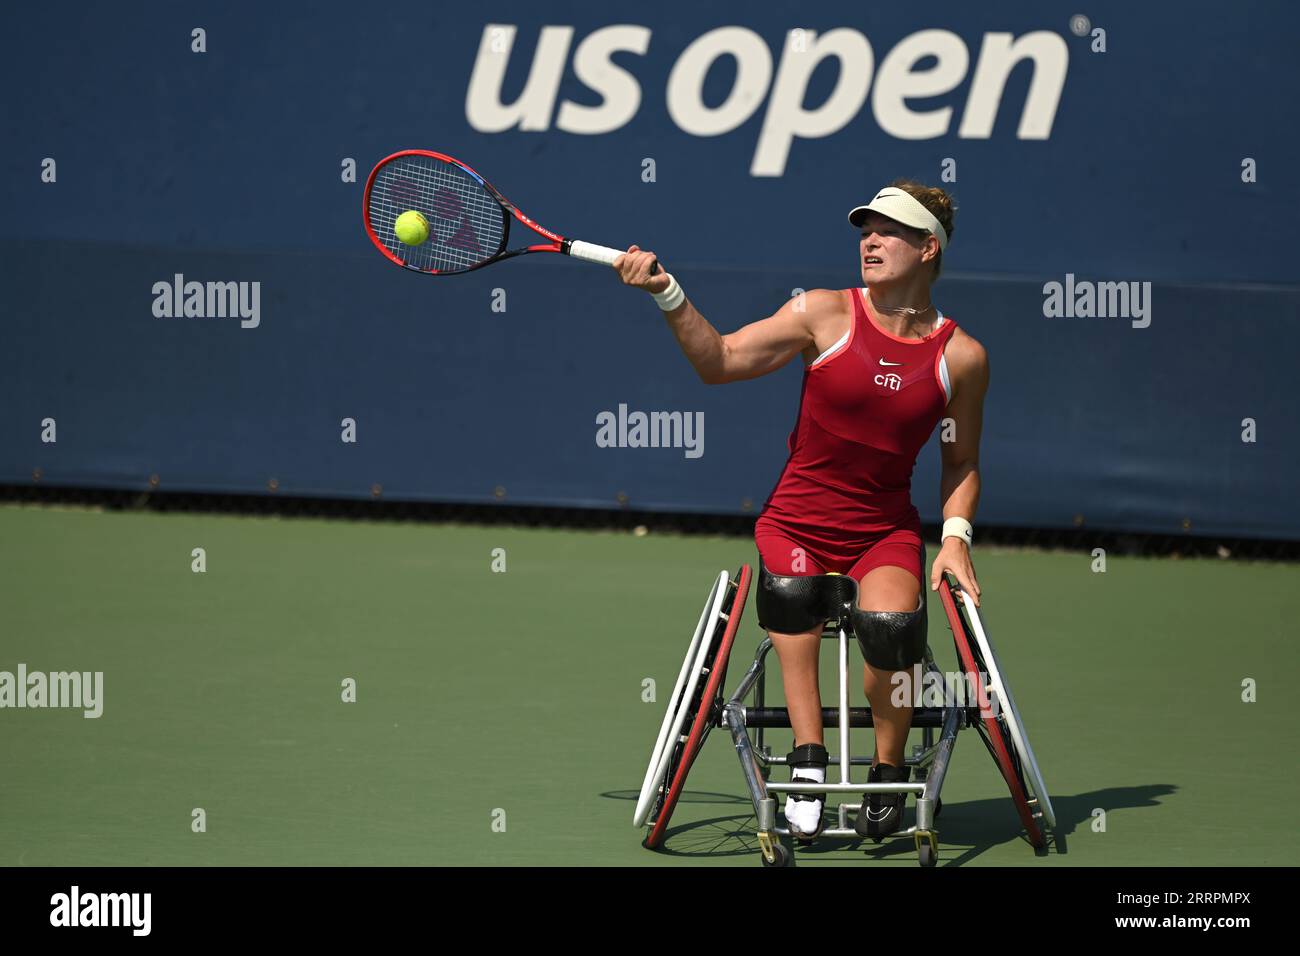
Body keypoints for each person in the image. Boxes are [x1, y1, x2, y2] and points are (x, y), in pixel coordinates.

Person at [614, 181, 986, 841]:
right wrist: (667, 294)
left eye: (889, 230)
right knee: (791, 591)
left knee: (893, 628)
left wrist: (955, 537)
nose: (870, 240)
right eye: (865, 229)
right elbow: (720, 361)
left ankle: (888, 768)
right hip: (797, 522)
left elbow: (959, 461)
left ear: (929, 248)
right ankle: (808, 761)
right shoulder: (822, 314)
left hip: (884, 532)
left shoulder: (961, 357)